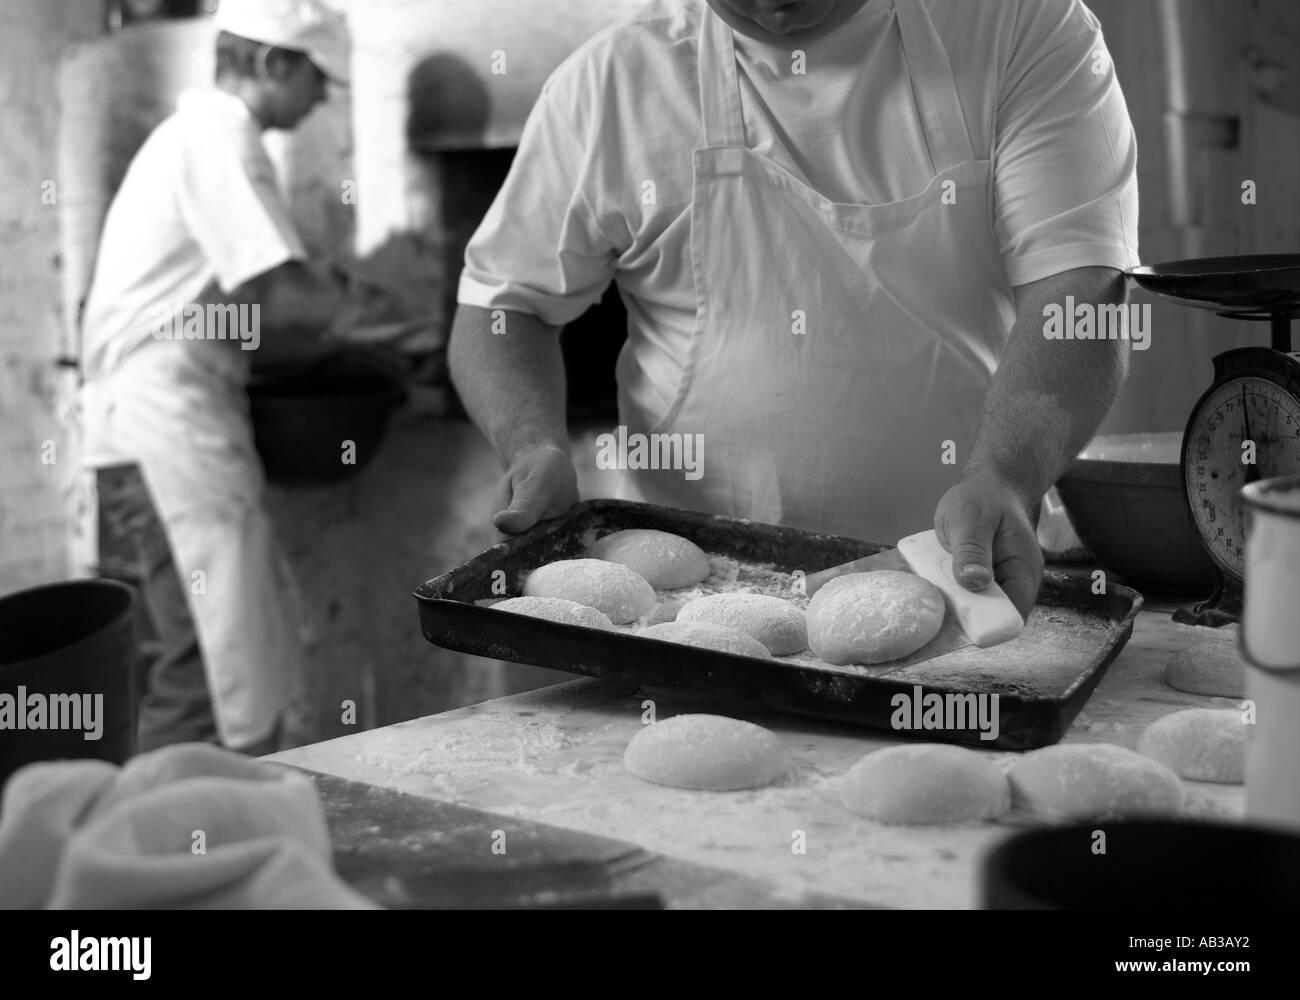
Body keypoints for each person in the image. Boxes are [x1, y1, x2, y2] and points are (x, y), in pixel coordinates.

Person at [449, 0, 1139, 616]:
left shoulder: (1019, 29)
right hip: (695, 614)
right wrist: (532, 441)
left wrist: (1007, 477)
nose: (775, 4)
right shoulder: (615, 83)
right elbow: (502, 306)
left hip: (970, 580)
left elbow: (1080, 294)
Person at [80, 0, 399, 756]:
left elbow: (244, 319)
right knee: (204, 670)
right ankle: (164, 856)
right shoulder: (220, 138)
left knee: (203, 657)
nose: (323, 99)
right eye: (317, 78)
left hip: (154, 426)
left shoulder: (197, 139)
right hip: (165, 430)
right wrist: (399, 322)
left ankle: (199, 844)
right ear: (271, 63)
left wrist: (343, 339)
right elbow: (285, 293)